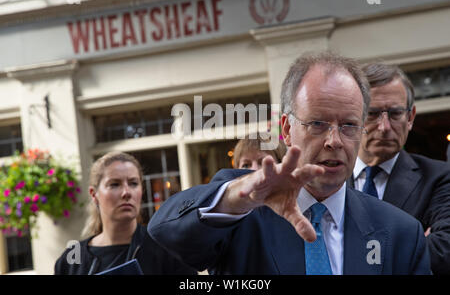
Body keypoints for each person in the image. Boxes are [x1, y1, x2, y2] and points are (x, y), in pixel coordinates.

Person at [148, 52, 431, 274]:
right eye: (318, 124)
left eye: (348, 125)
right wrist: (240, 197)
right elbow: (165, 231)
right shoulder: (243, 214)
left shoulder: (401, 234)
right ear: (286, 129)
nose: (334, 140)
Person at [347, 63, 450, 275]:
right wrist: (413, 243)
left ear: (410, 117)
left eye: (395, 114)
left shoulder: (439, 178)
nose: (384, 127)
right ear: (352, 118)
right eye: (373, 114)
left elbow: (443, 251)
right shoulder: (327, 180)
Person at [54, 151, 197, 275]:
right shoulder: (72, 259)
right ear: (94, 194)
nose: (126, 192)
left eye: (133, 183)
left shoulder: (166, 248)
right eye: (115, 184)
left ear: (141, 190)